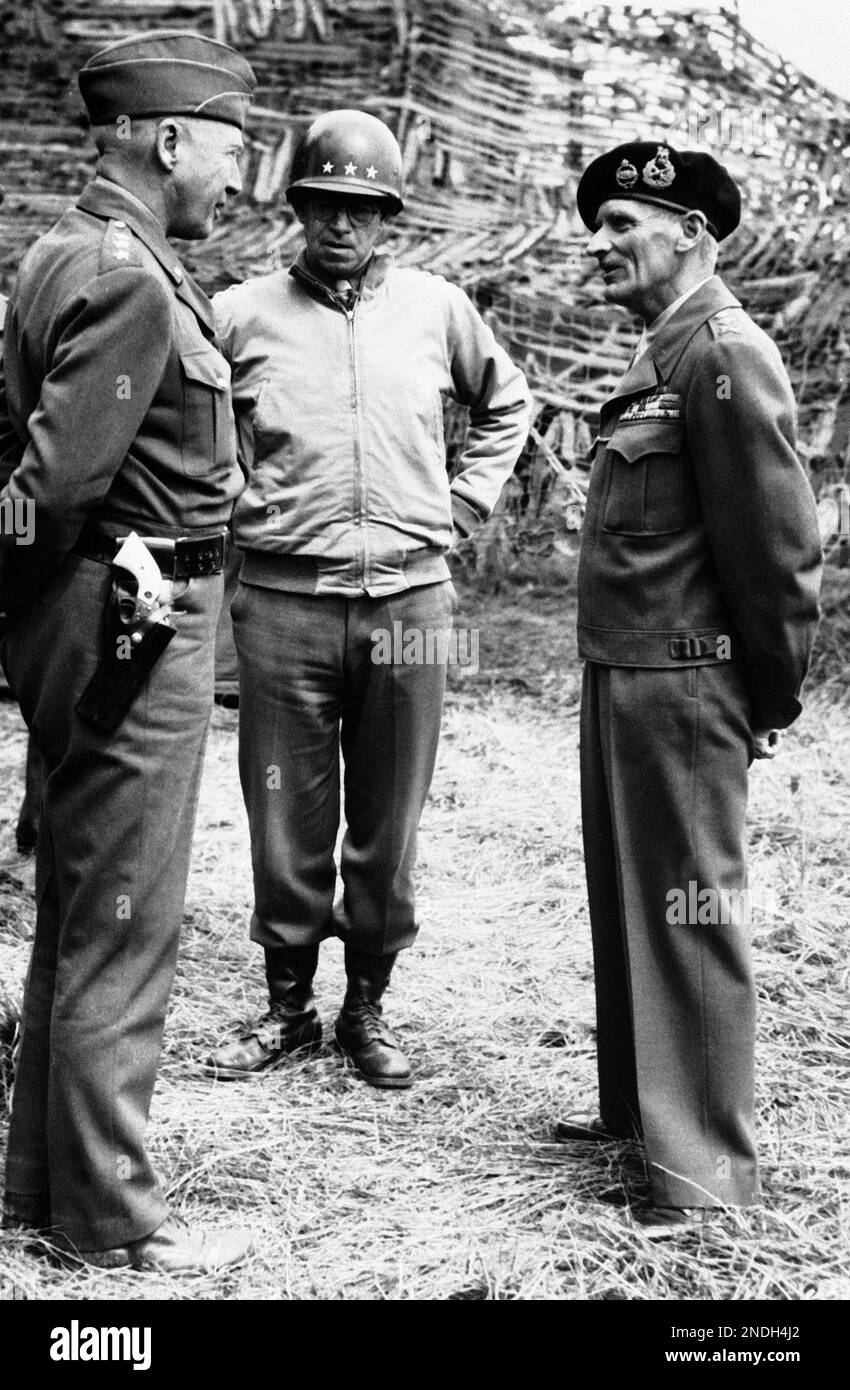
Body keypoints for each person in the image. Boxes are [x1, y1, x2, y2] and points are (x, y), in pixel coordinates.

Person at [0, 30, 257, 1273]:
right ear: (166, 141)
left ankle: (42, 1183)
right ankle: (108, 1224)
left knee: (77, 906)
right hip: (132, 615)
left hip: (99, 609)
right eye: (228, 147)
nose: (237, 178)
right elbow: (52, 493)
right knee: (123, 917)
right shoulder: (131, 277)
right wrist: (77, 630)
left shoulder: (71, 251)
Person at [208, 110, 531, 1088]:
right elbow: (194, 430)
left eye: (362, 207)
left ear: (387, 216)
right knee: (282, 818)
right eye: (324, 203)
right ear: (297, 206)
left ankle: (368, 1006)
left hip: (408, 610)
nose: (341, 223)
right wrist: (238, 496)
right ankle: (286, 1006)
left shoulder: (437, 309)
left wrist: (461, 505)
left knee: (389, 822)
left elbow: (505, 401)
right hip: (280, 606)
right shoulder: (237, 314)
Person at [557, 141, 822, 1235]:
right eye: (601, 227)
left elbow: (773, 549)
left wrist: (766, 698)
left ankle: (706, 1170)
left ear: (692, 237)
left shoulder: (721, 351)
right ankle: (641, 1118)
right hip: (625, 676)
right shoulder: (662, 352)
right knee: (632, 904)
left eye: (623, 225)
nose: (602, 246)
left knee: (688, 911)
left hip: (686, 685)